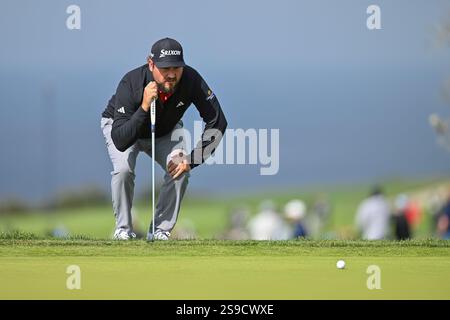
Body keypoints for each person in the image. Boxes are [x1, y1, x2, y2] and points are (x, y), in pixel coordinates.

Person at [101, 38, 227, 240]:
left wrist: (192, 159)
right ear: (151, 64)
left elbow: (218, 122)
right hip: (123, 127)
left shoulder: (191, 80)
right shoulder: (131, 82)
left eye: (177, 68)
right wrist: (143, 106)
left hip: (166, 131)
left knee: (180, 169)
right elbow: (120, 140)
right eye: (165, 68)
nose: (171, 74)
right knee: (123, 170)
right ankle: (123, 229)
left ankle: (160, 231)